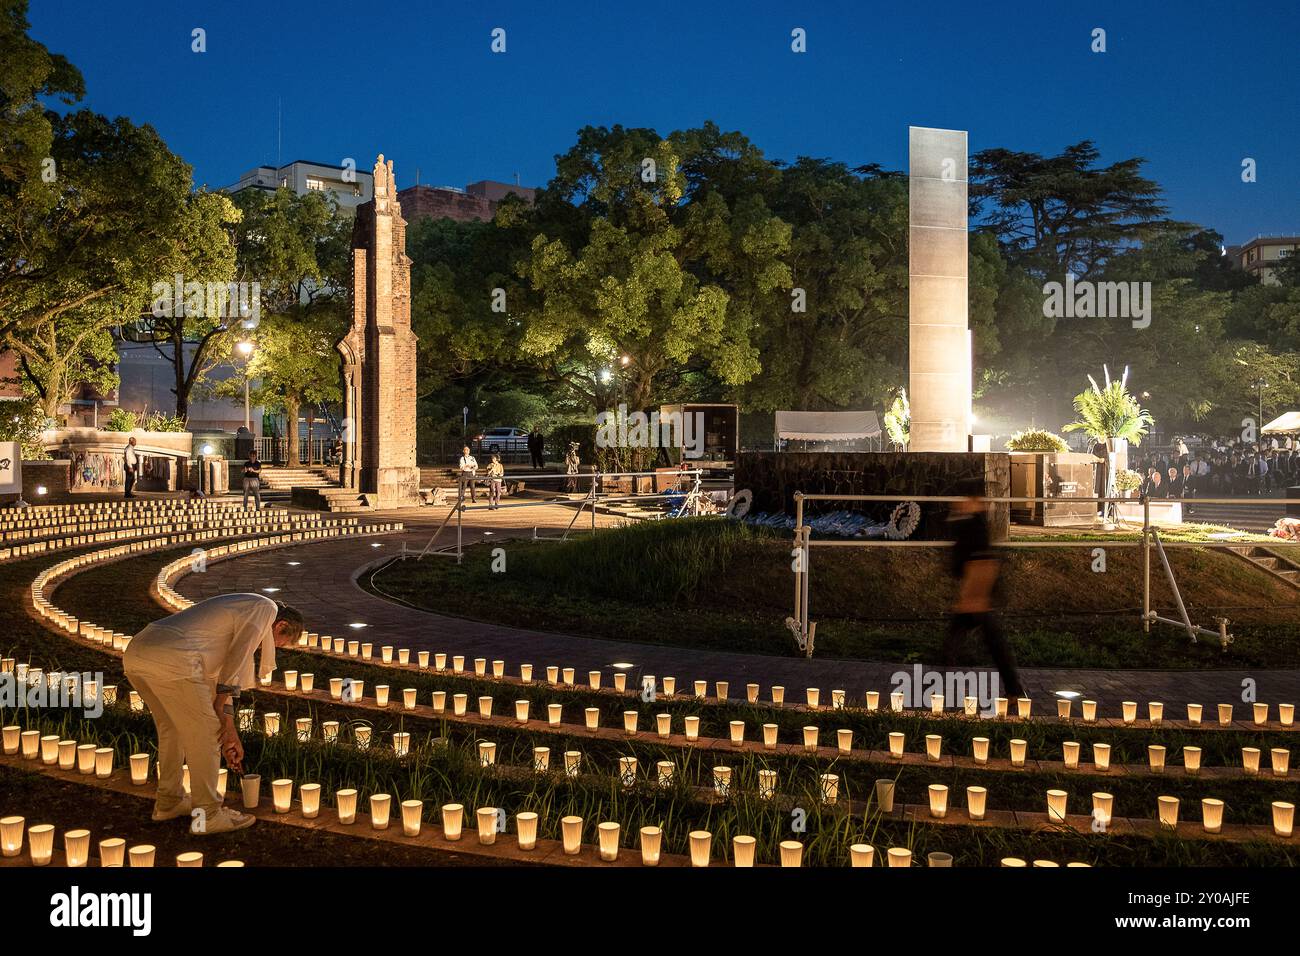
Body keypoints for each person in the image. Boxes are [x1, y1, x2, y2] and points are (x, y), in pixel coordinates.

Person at [122, 594, 304, 835]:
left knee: (172, 729)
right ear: (281, 626)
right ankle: (207, 815)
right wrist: (222, 726)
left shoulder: (229, 620)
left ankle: (169, 802)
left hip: (138, 652)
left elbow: (221, 684)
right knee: (207, 735)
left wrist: (229, 729)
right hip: (174, 658)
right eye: (281, 642)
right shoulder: (265, 607)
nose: (271, 648)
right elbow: (237, 659)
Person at [941, 481, 1025, 700]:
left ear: (971, 500)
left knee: (974, 643)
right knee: (989, 643)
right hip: (976, 593)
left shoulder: (974, 523)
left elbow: (980, 559)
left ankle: (933, 688)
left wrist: (974, 595)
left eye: (964, 501)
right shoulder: (970, 521)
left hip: (976, 594)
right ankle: (1014, 689)